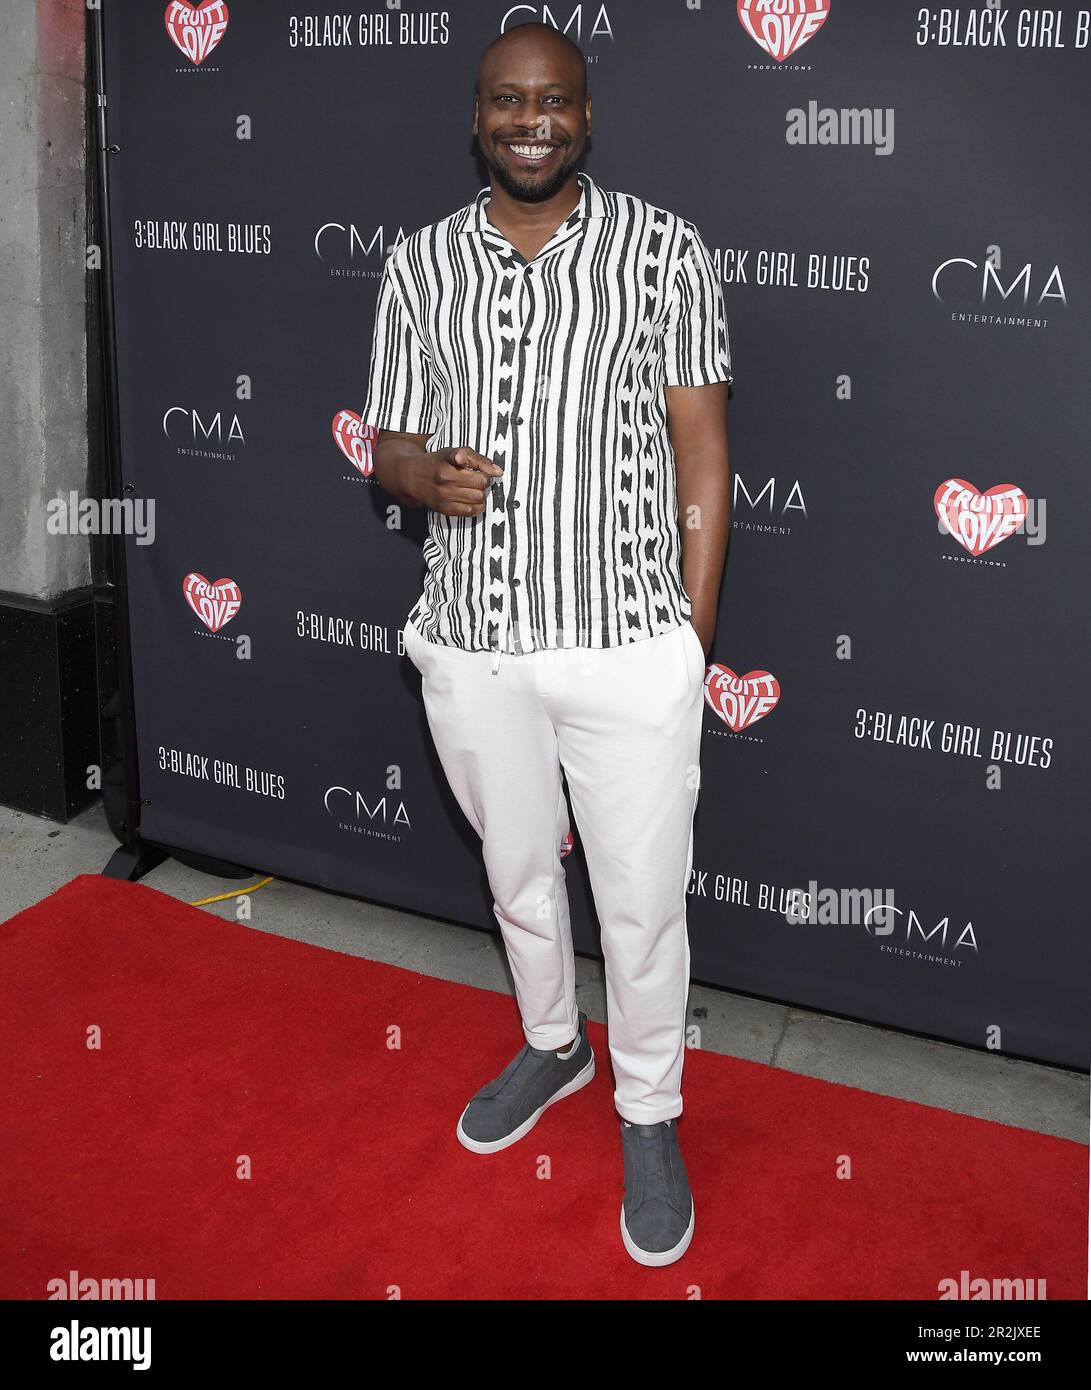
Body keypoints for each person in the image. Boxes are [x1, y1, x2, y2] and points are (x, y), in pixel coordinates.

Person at [363, 22, 732, 1268]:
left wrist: (687, 639)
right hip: (471, 638)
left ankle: (647, 1109)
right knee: (517, 871)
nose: (533, 121)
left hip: (627, 641)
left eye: (554, 102)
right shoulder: (415, 267)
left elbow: (701, 452)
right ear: (475, 117)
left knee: (638, 904)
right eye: (508, 102)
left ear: (586, 114)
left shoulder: (663, 250)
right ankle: (551, 1042)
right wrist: (418, 471)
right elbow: (387, 446)